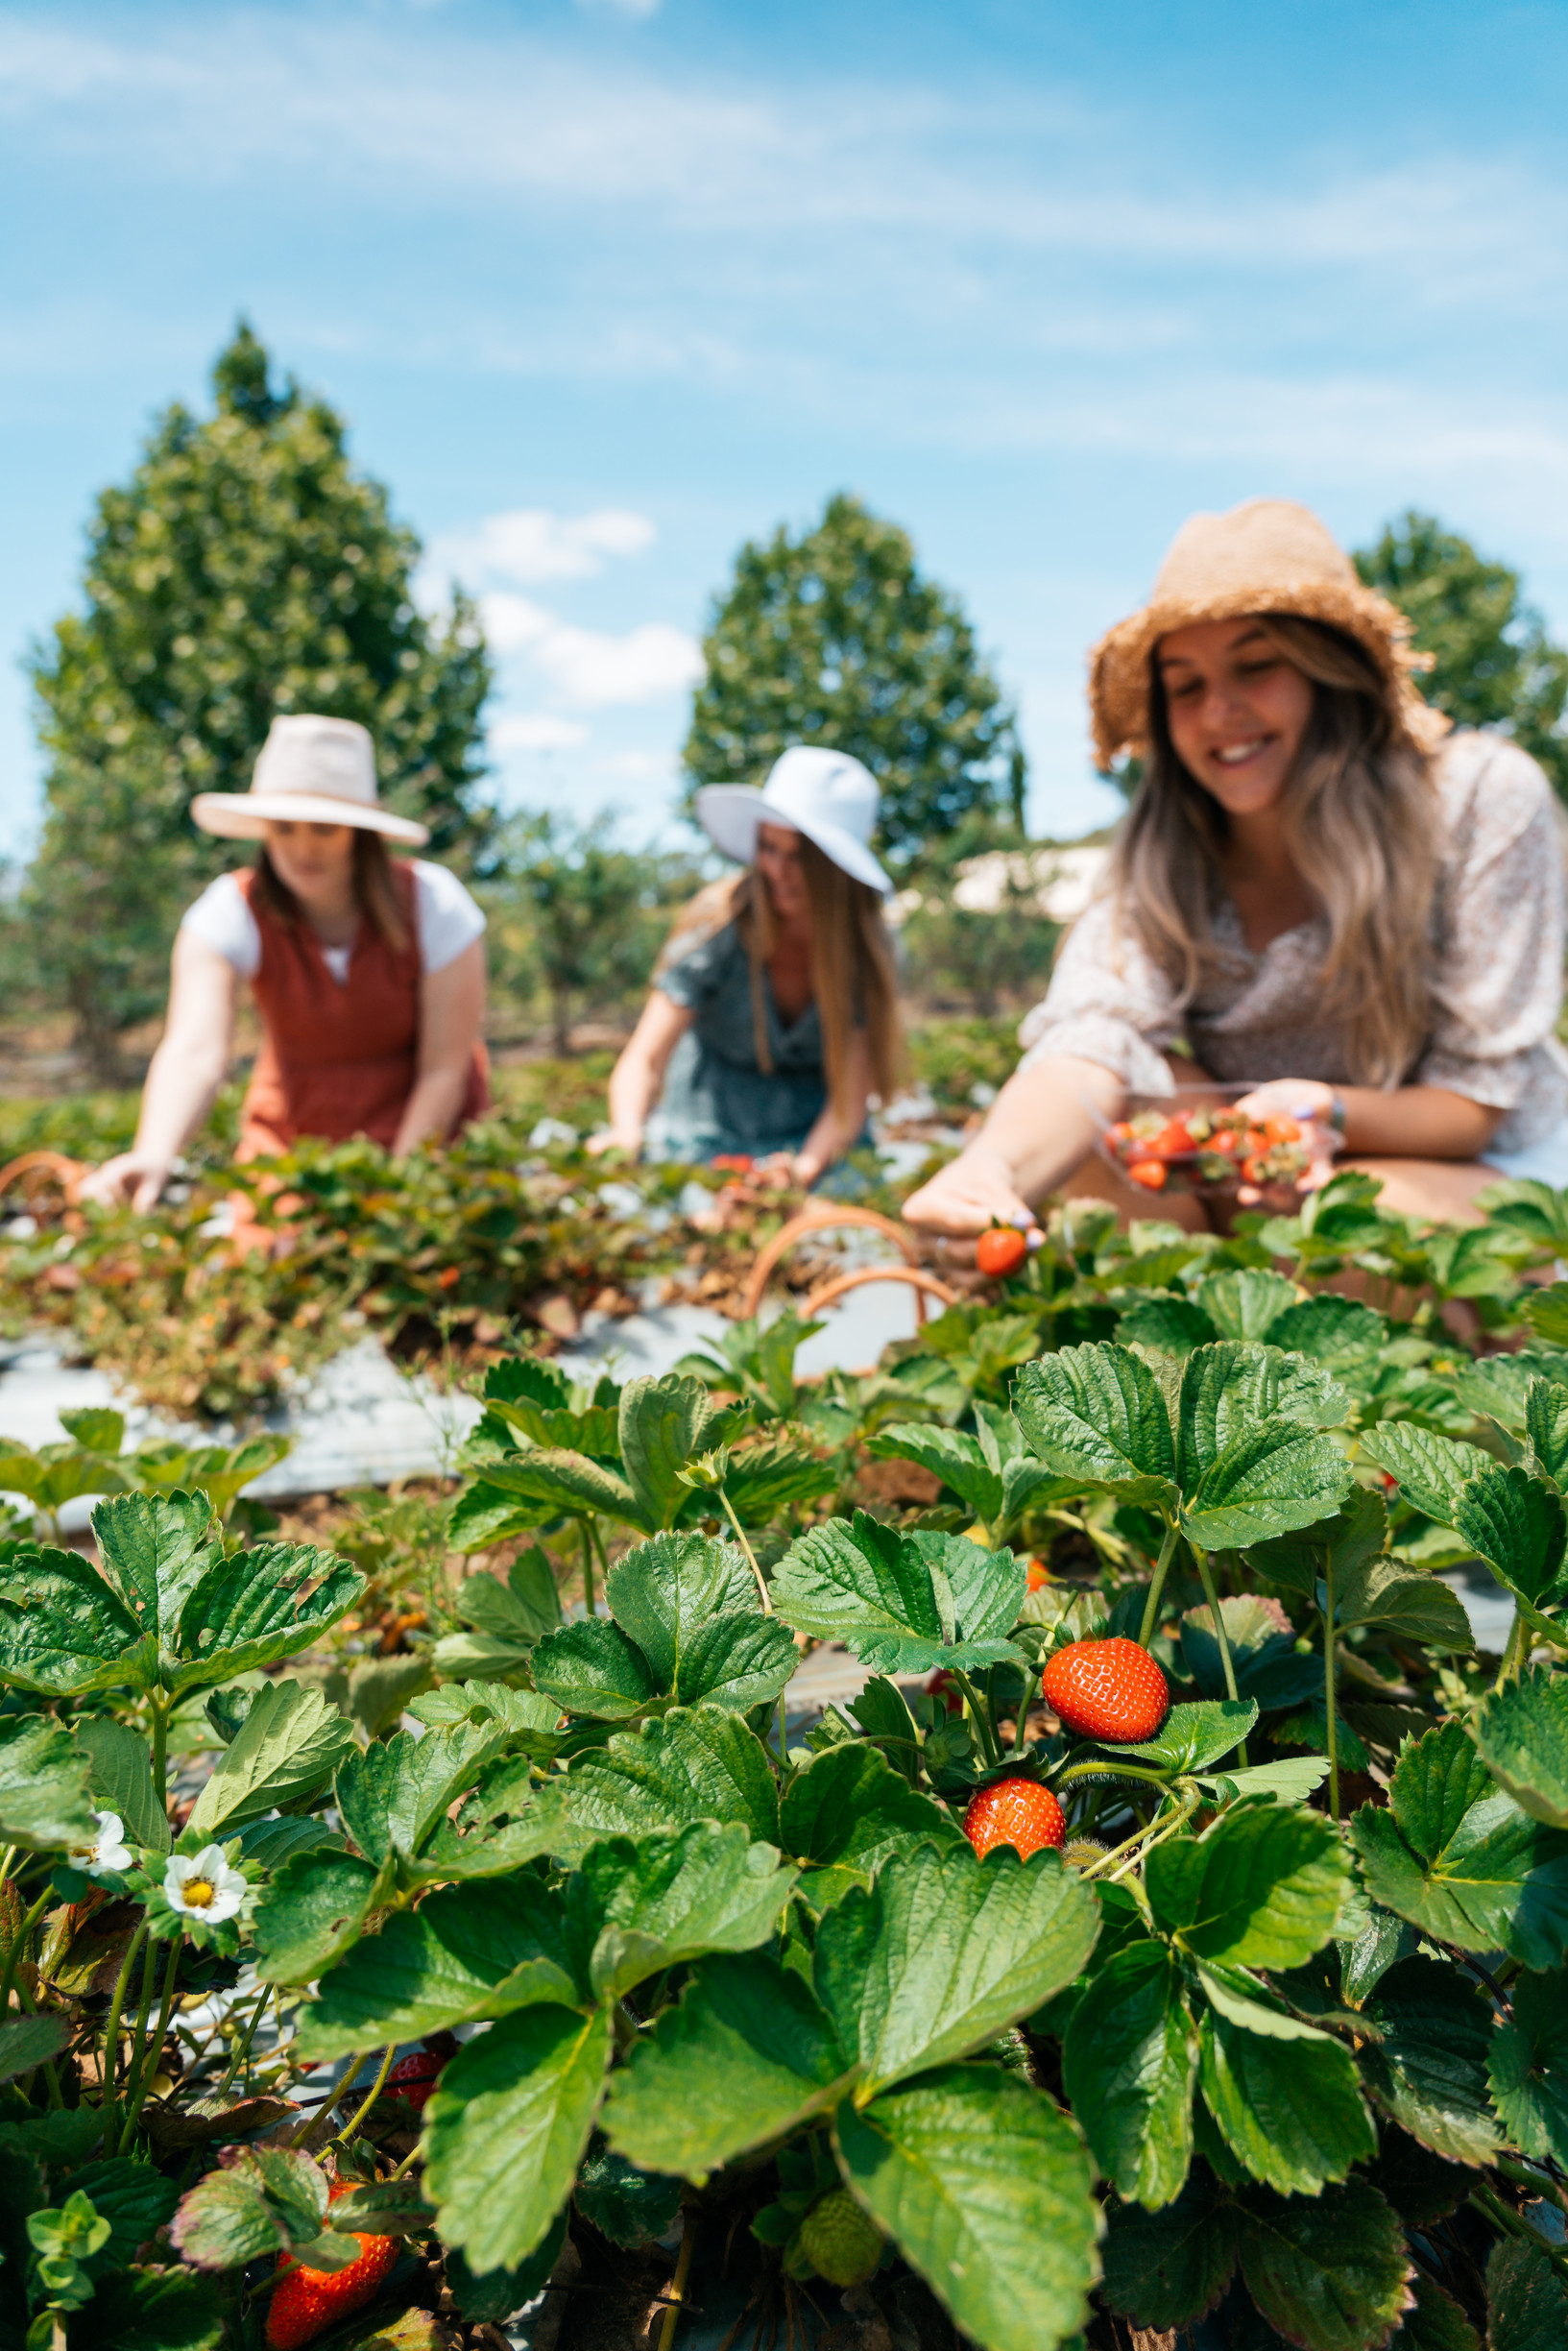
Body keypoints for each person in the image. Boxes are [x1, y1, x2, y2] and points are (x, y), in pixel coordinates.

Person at [904, 498, 1568, 1243]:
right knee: (1104, 1140)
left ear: (1332, 677)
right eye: (1184, 685)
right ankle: (1203, 1335)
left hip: (1482, 1162)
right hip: (1268, 1172)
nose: (1219, 709)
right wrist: (989, 1170)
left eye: (1255, 666)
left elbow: (1472, 1107)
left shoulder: (1475, 800)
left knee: (1340, 1235)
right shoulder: (1163, 861)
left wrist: (1325, 1110)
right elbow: (1089, 1041)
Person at [81, 715, 488, 1212]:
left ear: (359, 834)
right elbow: (194, 1050)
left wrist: (399, 1190)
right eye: (284, 828)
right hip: (298, 1139)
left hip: (425, 1131)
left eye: (323, 828)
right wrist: (155, 1152)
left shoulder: (434, 906)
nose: (302, 848)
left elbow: (443, 1069)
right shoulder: (229, 912)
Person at [591, 746, 903, 1185]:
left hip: (815, 1138)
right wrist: (627, 1133)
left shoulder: (866, 949)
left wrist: (800, 1171)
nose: (777, 870)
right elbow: (646, 1056)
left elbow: (848, 1102)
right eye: (768, 848)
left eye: (799, 857)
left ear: (835, 867)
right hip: (704, 1134)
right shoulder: (719, 925)